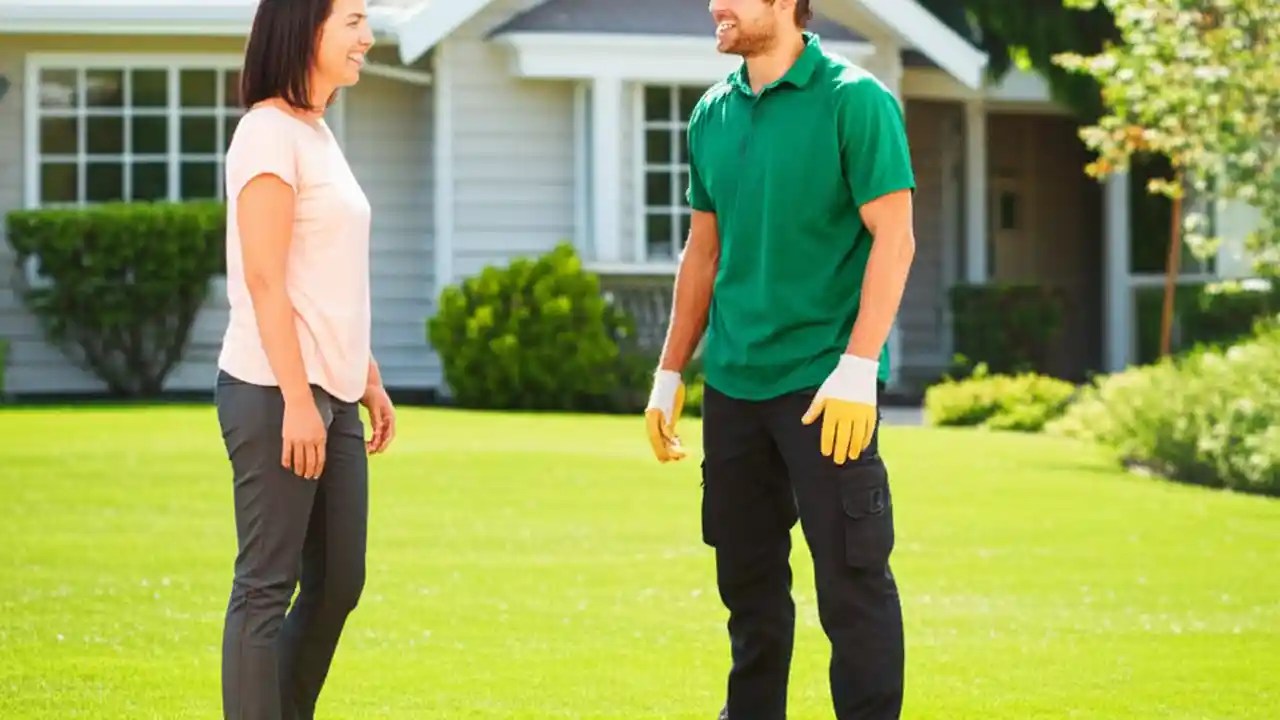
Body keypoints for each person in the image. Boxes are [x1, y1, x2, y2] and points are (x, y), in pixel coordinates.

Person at [644, 1, 917, 718]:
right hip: (734, 388)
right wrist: (669, 373)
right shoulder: (712, 113)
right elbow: (703, 251)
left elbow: (895, 238)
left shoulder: (854, 101)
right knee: (748, 587)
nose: (715, 6)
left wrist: (859, 367)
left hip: (826, 386)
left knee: (852, 583)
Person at [213, 1, 395, 718]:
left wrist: (365, 373)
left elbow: (323, 274)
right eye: (352, 20)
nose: (367, 37)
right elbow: (265, 278)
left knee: (339, 580)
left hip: (334, 392)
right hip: (273, 390)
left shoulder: (315, 133)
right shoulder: (266, 134)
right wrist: (296, 399)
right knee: (265, 586)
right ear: (304, 27)